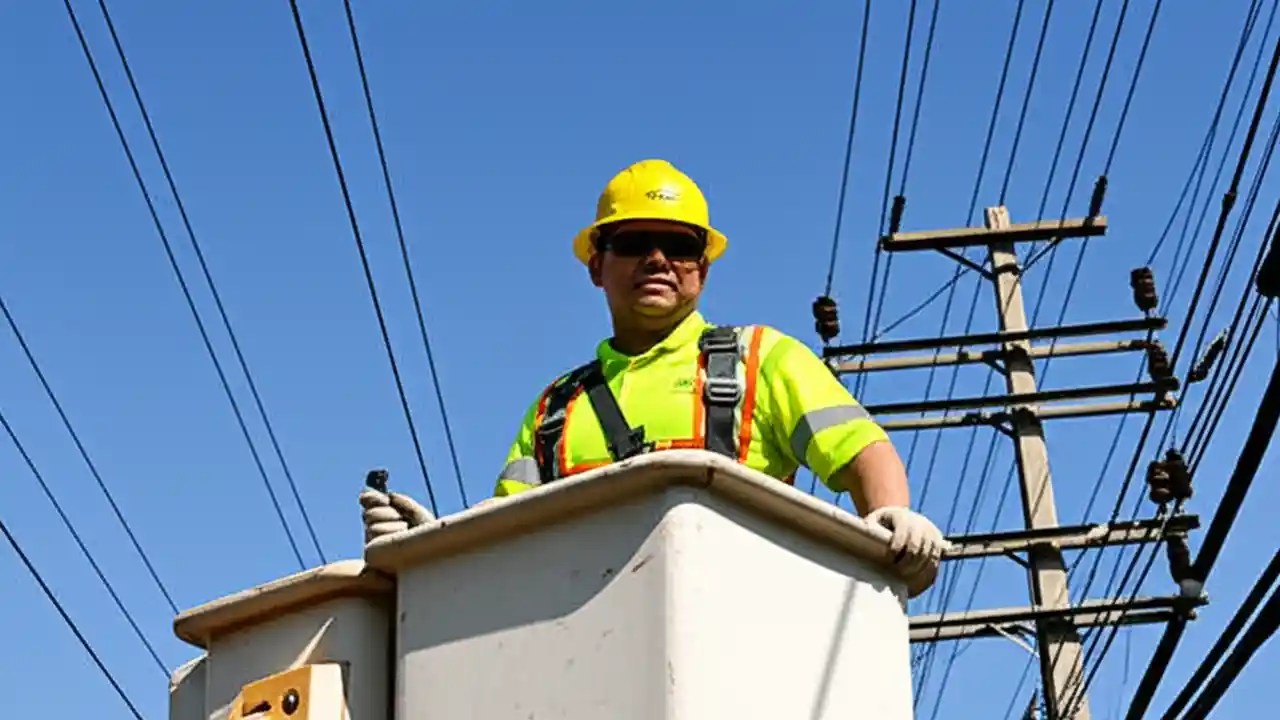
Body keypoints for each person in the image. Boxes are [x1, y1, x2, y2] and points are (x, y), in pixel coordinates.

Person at [360, 159, 947, 577]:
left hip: (743, 628)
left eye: (681, 246)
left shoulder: (762, 358)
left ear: (703, 269)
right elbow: (504, 532)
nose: (659, 260)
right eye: (635, 241)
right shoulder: (556, 410)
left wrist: (890, 519)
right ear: (597, 265)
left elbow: (862, 451)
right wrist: (428, 551)